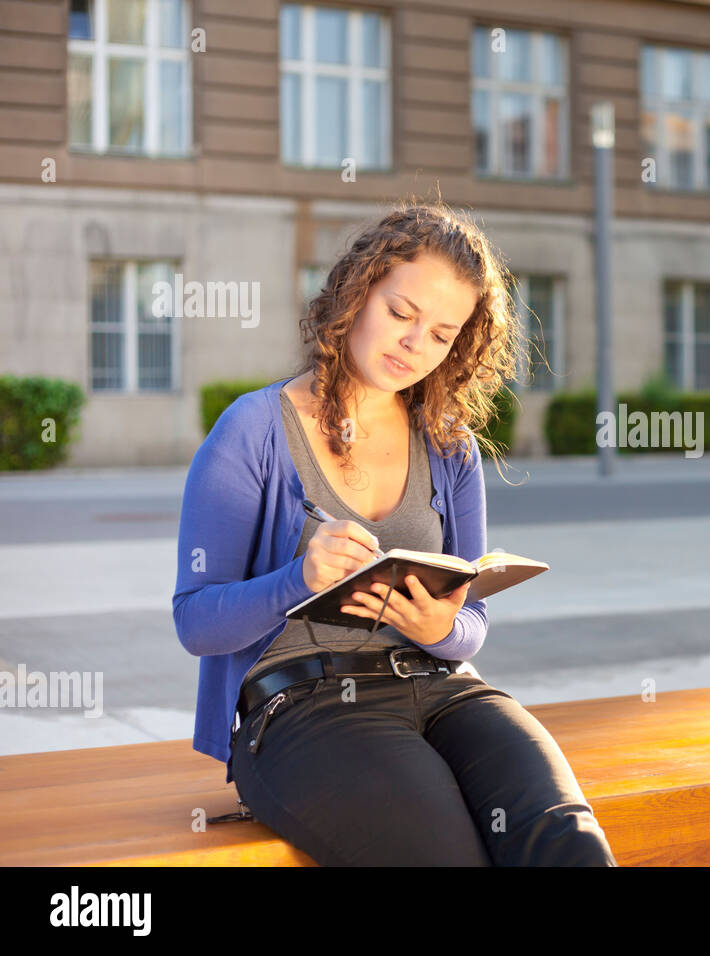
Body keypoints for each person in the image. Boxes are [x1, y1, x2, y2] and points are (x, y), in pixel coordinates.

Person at [172, 199, 617, 866]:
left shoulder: (450, 447)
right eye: (401, 314)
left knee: (565, 842)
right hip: (302, 709)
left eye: (441, 334)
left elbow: (473, 623)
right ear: (357, 292)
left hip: (446, 689)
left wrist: (439, 627)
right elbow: (196, 623)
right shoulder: (254, 429)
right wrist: (297, 580)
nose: (415, 345)